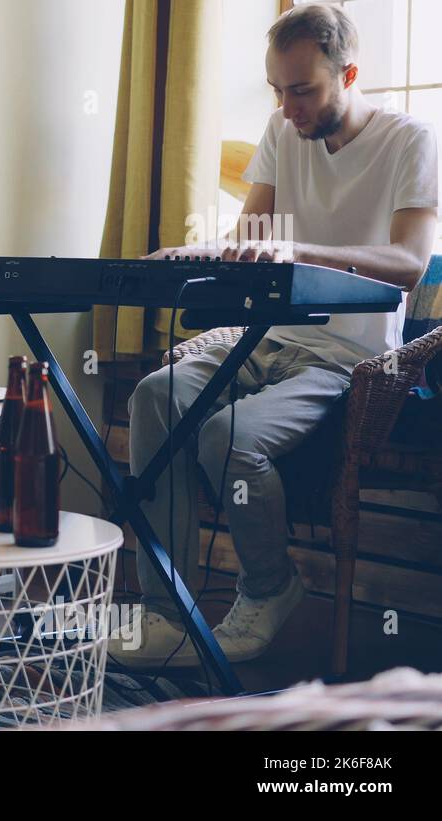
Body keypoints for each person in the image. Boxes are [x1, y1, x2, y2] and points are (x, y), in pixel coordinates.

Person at [114, 4, 438, 667]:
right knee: (154, 395)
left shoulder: (411, 141)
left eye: (303, 90)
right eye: (276, 89)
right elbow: (248, 243)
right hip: (262, 341)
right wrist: (189, 255)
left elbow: (409, 262)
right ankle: (164, 610)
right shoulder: (280, 130)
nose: (287, 108)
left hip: (347, 356)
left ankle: (270, 587)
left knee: (226, 436)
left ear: (349, 74)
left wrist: (301, 251)